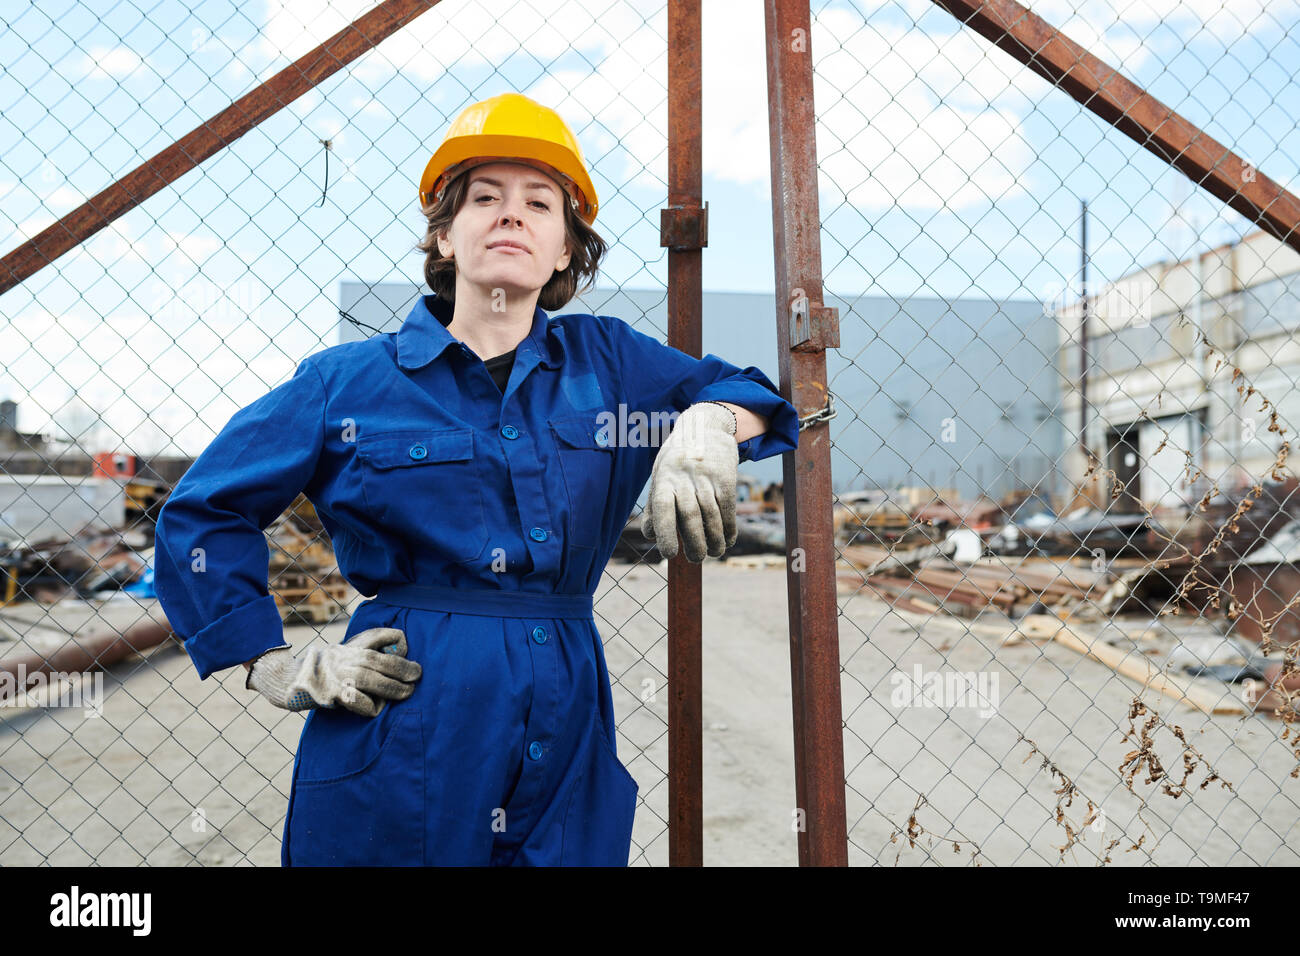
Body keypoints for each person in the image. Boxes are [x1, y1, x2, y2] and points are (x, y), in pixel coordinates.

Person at [153, 91, 800, 867]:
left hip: (565, 720)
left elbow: (760, 396)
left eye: (539, 202)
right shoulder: (347, 382)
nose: (510, 216)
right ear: (444, 236)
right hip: (407, 713)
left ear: (565, 248)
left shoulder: (611, 363)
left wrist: (710, 423)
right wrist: (268, 661)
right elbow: (202, 510)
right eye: (484, 198)